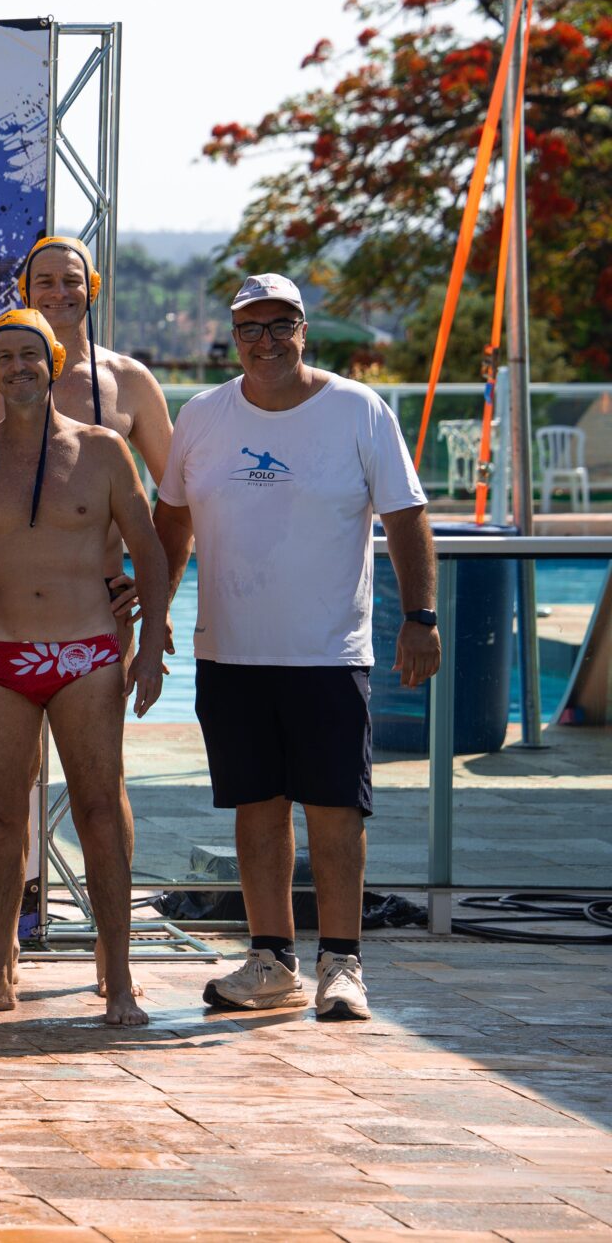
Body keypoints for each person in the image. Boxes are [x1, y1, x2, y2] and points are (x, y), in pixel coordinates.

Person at [155, 274, 438, 1022]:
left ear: (303, 330)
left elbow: (407, 516)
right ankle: (271, 958)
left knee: (335, 812)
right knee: (256, 809)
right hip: (230, 653)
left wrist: (422, 616)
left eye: (281, 324)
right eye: (251, 327)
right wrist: (151, 616)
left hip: (329, 654)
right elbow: (170, 524)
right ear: (234, 336)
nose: (266, 340)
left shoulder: (357, 409)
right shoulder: (202, 415)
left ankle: (342, 963)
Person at [0, 308, 169, 1025]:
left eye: (30, 357)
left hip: (85, 652)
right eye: (4, 358)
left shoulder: (105, 449)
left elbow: (150, 544)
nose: (18, 369)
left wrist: (154, 644)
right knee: (2, 818)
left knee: (99, 811)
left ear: (53, 364)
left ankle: (122, 979)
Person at [0, 235, 170, 998]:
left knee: (100, 796)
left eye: (70, 280)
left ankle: (117, 972)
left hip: (95, 621)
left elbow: (167, 505)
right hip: (6, 626)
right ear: (24, 288)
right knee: (3, 809)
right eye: (42, 281)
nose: (58, 291)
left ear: (93, 286)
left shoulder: (127, 382)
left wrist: (154, 603)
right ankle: (0, 966)